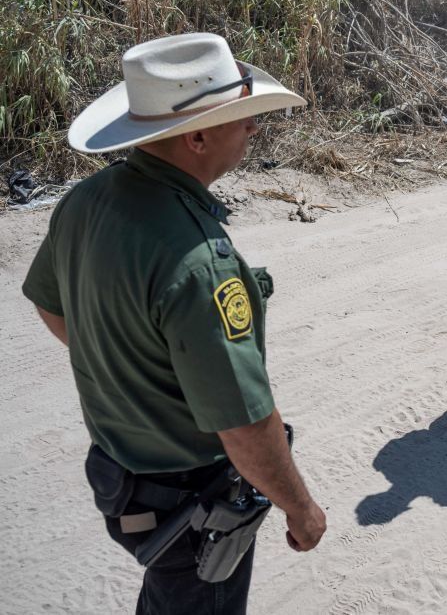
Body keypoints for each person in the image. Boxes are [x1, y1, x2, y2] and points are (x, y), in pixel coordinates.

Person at [21, 33, 327, 613]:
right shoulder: (198, 261)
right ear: (197, 136)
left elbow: (52, 306)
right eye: (243, 119)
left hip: (121, 477)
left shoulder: (85, 201)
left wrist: (129, 374)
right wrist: (301, 509)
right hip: (189, 503)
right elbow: (245, 426)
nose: (253, 129)